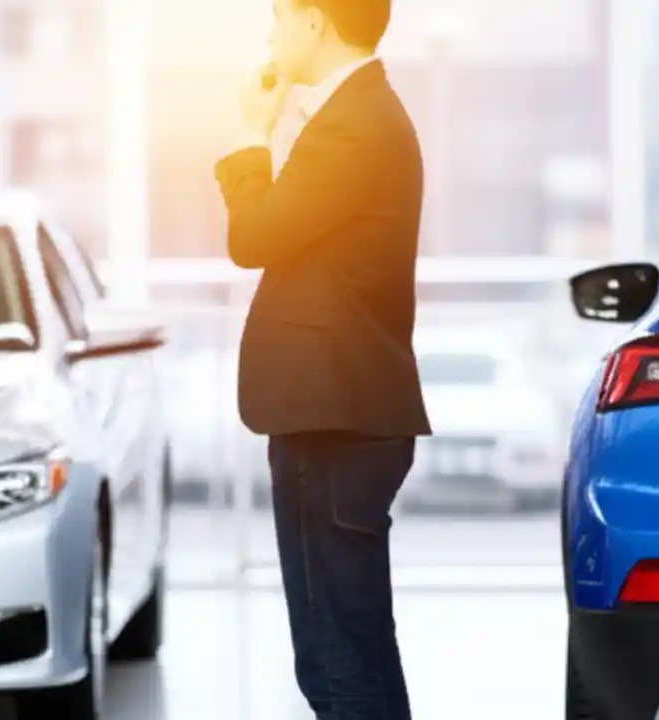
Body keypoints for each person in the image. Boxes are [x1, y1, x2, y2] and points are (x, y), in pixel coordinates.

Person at [213, 0, 430, 718]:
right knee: (344, 648)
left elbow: (255, 235)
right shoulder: (357, 114)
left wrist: (252, 136)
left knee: (340, 658)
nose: (271, 36)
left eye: (278, 19)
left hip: (334, 422)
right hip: (336, 413)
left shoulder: (354, 124)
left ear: (313, 22)